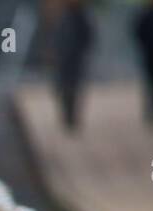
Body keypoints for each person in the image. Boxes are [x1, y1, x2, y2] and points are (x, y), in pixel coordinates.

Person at [53, 0, 94, 132]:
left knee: (73, 89)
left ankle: (71, 117)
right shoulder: (64, 16)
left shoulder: (81, 17)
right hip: (64, 60)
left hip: (75, 60)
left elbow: (88, 37)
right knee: (64, 89)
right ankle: (67, 117)